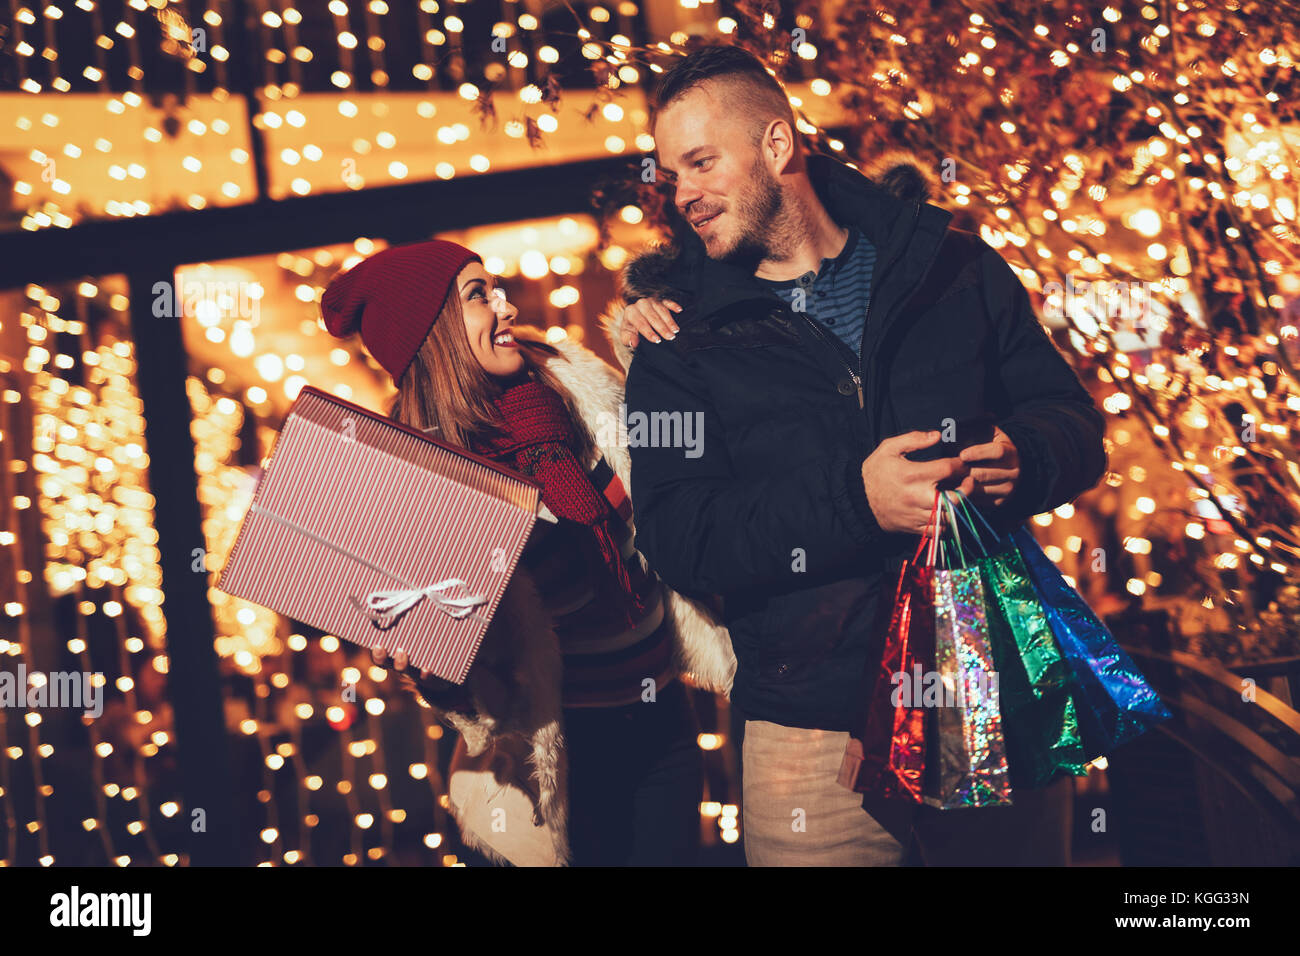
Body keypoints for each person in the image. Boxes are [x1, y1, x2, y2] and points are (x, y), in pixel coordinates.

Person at [606, 45, 1108, 865]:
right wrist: (855, 500)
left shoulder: (953, 268)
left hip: (983, 694)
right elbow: (679, 533)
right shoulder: (679, 340)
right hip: (812, 737)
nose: (681, 194)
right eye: (671, 173)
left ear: (777, 146)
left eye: (700, 163)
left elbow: (1072, 421)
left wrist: (1032, 454)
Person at [319, 239, 735, 866]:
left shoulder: (567, 379)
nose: (505, 306)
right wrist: (428, 665)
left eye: (496, 287)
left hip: (662, 714)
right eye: (478, 296)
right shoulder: (415, 477)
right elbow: (482, 698)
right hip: (565, 754)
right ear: (431, 334)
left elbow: (677, 468)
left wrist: (646, 346)